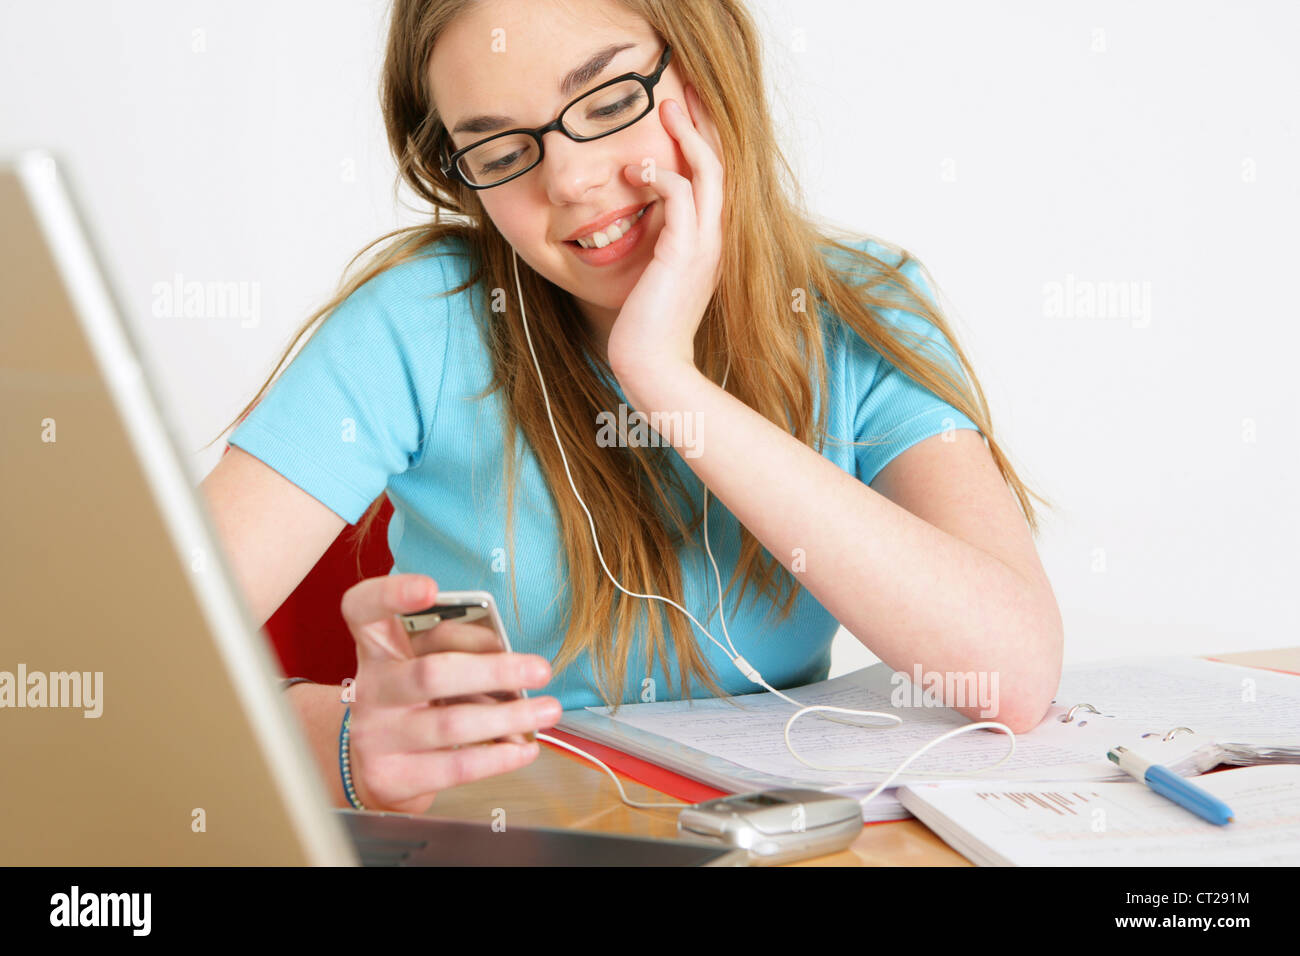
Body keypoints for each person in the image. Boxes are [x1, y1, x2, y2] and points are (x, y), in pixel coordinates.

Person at [200, 0, 1064, 816]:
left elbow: (1012, 676)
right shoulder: (414, 326)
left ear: (707, 67)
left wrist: (666, 379)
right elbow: (122, 664)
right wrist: (340, 741)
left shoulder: (860, 309)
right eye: (500, 151)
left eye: (608, 99)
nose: (570, 181)